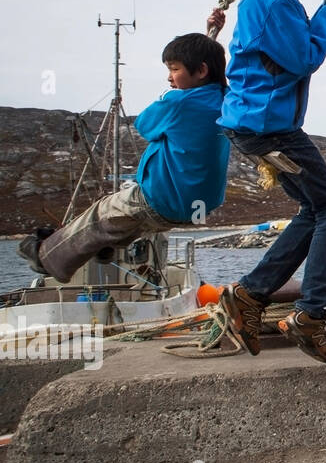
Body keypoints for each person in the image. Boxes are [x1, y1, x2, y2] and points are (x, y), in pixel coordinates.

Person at [209, 0, 326, 364]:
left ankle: (251, 295)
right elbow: (305, 57)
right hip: (269, 126)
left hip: (253, 126)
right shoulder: (271, 3)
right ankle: (310, 316)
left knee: (316, 206)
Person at [18, 34, 230, 280]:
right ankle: (104, 247)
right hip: (200, 208)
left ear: (201, 70)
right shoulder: (226, 99)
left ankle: (46, 257)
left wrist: (168, 97)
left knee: (102, 213)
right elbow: (209, 80)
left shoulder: (177, 103)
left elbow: (144, 125)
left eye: (174, 69)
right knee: (132, 220)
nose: (169, 77)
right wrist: (209, 35)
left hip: (163, 197)